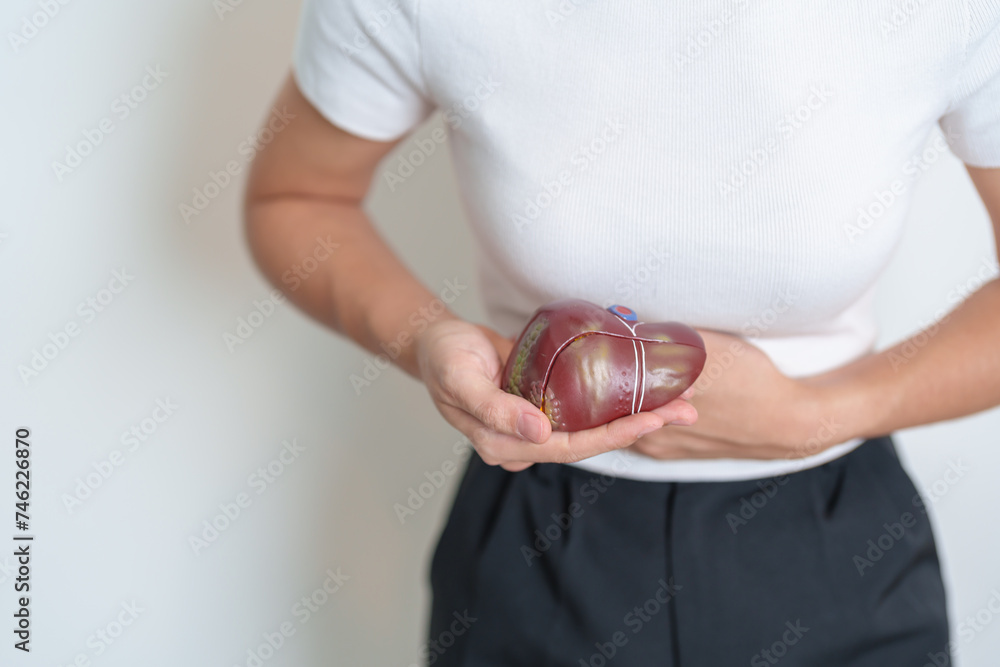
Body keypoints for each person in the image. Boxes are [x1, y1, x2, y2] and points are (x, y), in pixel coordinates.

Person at [244, 1, 1000, 664]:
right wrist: (428, 338)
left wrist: (814, 416)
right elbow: (296, 197)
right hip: (540, 541)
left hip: (838, 547)